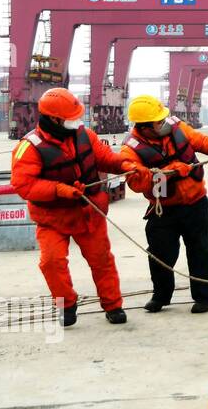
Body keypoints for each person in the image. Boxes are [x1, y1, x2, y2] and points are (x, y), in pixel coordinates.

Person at [119, 95, 208, 314]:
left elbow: (203, 142)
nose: (163, 122)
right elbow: (136, 182)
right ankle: (161, 296)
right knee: (160, 254)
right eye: (158, 121)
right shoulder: (130, 150)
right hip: (163, 209)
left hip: (195, 204)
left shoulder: (177, 128)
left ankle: (203, 297)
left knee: (200, 250)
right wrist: (168, 172)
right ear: (144, 127)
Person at [10, 88, 132, 327]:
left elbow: (105, 157)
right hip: (52, 217)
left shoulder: (85, 135)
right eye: (71, 117)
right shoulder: (29, 147)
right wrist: (58, 189)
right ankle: (66, 305)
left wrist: (126, 164)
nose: (77, 121)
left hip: (88, 213)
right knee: (51, 262)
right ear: (54, 119)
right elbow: (23, 184)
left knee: (102, 260)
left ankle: (113, 305)